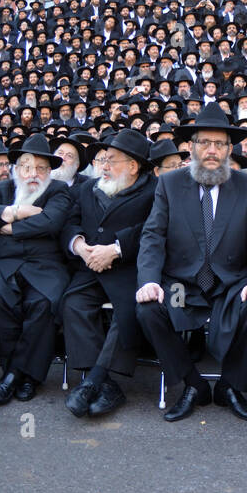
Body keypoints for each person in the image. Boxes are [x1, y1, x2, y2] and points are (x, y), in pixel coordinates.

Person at [136, 102, 247, 423]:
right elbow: (153, 237)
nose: (211, 150)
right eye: (204, 143)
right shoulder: (169, 185)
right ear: (191, 147)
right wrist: (148, 281)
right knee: (148, 308)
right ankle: (192, 384)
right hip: (182, 286)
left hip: (231, 285)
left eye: (219, 144)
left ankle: (231, 385)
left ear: (230, 149)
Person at [61, 129, 157, 418]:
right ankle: (107, 385)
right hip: (90, 266)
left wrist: (115, 249)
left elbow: (153, 231)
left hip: (130, 269)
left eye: (111, 160)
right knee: (72, 303)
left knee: (125, 311)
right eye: (102, 160)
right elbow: (70, 221)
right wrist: (79, 245)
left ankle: (93, 380)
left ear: (132, 166)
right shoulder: (88, 188)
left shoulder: (156, 191)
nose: (102, 166)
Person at [0, 133, 73, 404]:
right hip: (7, 265)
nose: (33, 173)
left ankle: (18, 376)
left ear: (49, 171)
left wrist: (7, 227)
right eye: (27, 166)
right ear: (17, 168)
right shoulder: (5, 189)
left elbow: (51, 223)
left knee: (42, 304)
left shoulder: (58, 191)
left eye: (41, 167)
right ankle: (18, 373)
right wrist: (17, 212)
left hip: (46, 267)